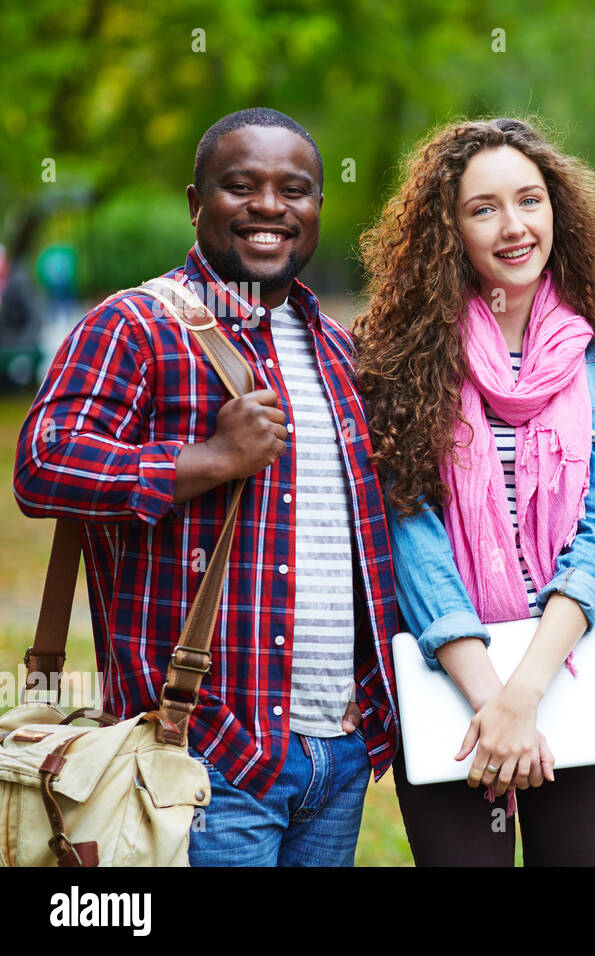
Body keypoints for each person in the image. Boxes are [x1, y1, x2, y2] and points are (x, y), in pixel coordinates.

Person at [13, 108, 401, 867]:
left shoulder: (341, 351)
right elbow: (42, 464)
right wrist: (209, 460)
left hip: (339, 755)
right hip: (201, 757)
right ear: (197, 204)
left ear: (317, 208)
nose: (268, 207)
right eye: (240, 186)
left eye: (295, 190)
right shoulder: (136, 326)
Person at [354, 117, 595, 866]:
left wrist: (522, 695)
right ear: (448, 230)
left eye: (529, 200)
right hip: (449, 684)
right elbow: (412, 538)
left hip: (576, 669)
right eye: (483, 208)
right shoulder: (401, 363)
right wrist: (489, 698)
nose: (513, 225)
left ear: (557, 209)